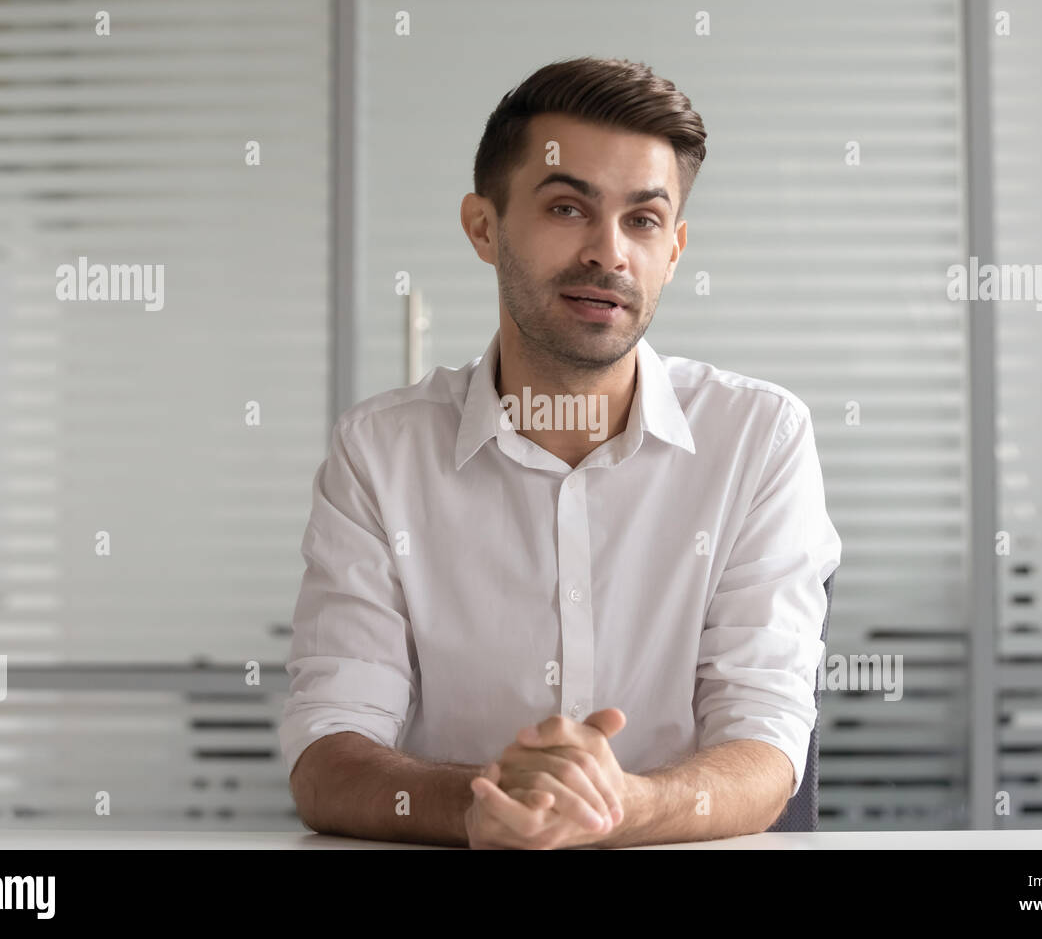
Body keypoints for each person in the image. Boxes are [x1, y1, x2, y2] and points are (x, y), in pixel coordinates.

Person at [281, 56, 842, 849]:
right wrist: (482, 805)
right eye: (568, 208)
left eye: (643, 220)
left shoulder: (759, 438)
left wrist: (615, 805)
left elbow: (766, 746)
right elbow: (327, 750)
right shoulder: (380, 452)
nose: (608, 253)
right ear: (484, 226)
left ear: (674, 249)